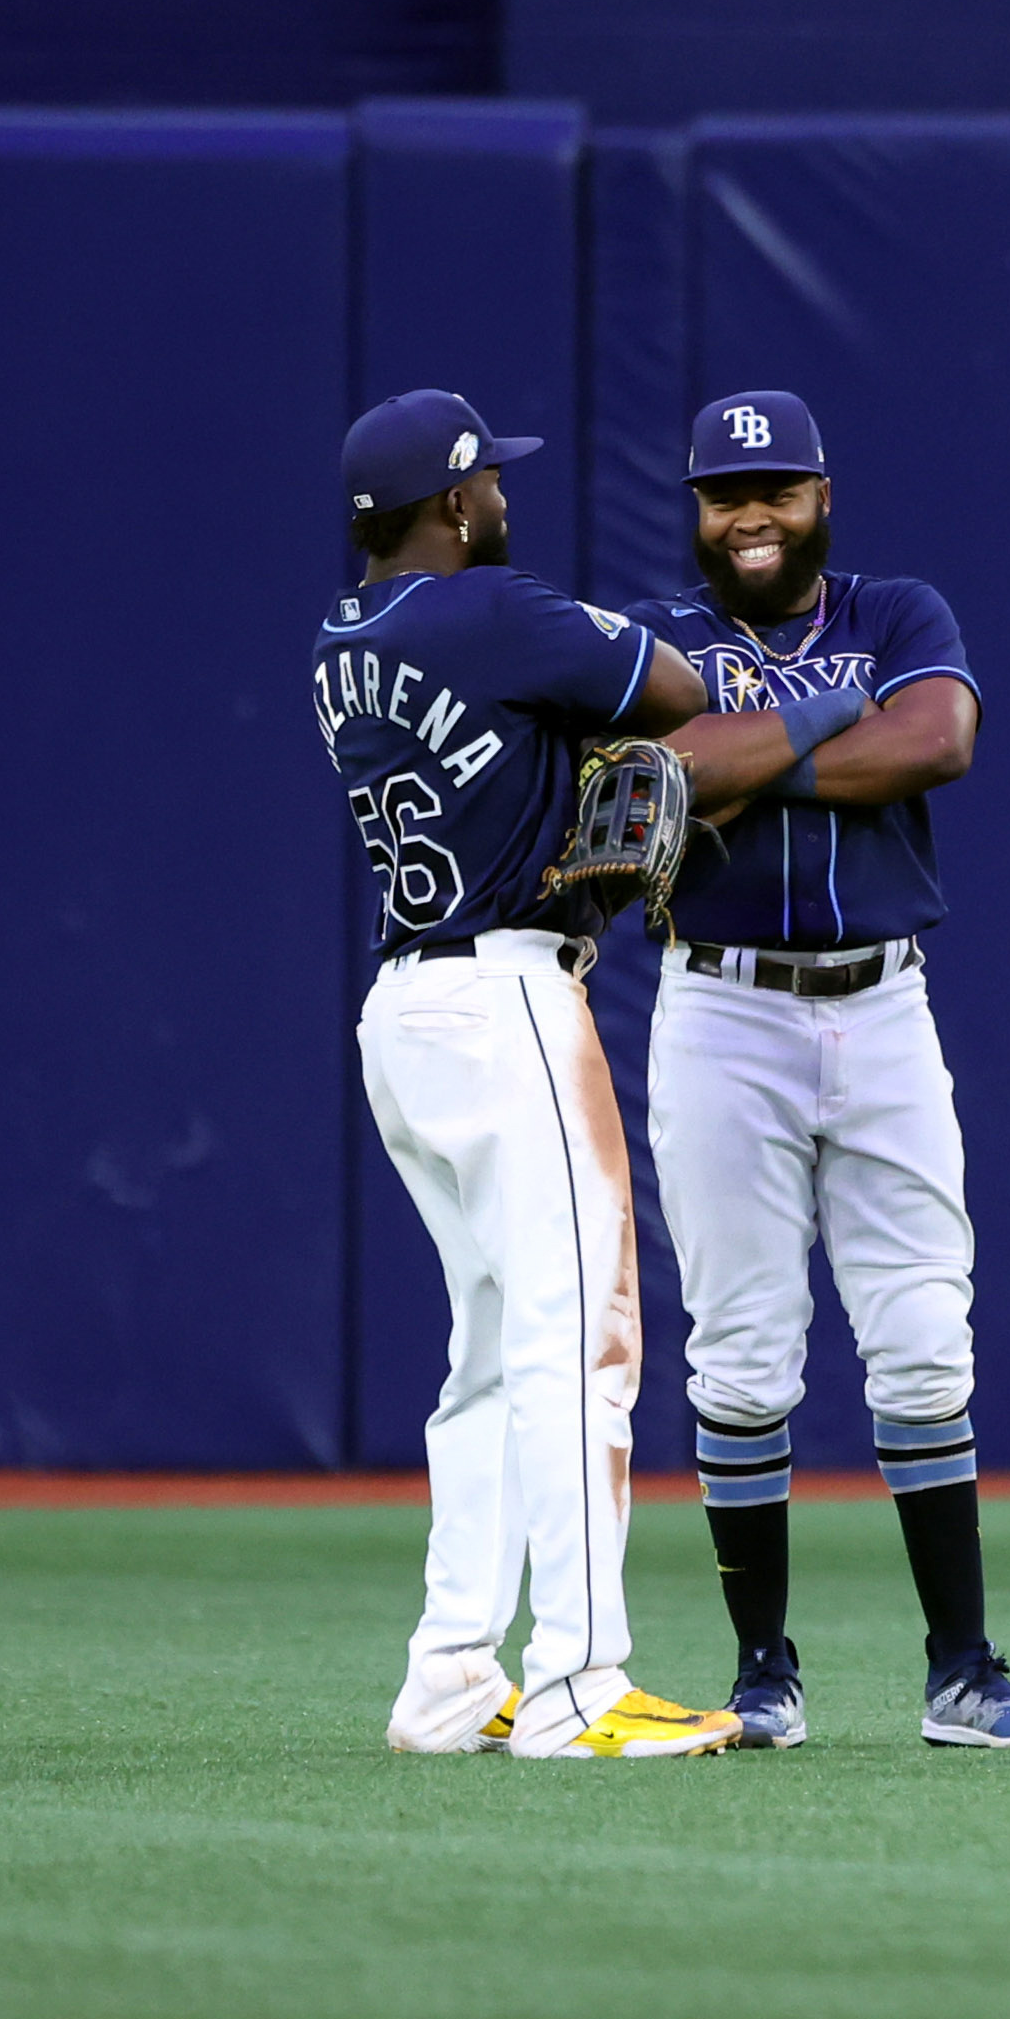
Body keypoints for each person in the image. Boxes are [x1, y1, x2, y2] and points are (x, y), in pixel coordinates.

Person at [620, 390, 1010, 1753]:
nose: (750, 516)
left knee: (925, 1338)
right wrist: (828, 718)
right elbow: (664, 771)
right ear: (696, 510)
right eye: (725, 495)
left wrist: (762, 750)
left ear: (823, 495)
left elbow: (936, 742)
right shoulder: (662, 636)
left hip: (883, 1003)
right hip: (723, 1006)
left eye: (776, 489)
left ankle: (964, 1674)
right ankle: (762, 1673)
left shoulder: (898, 611)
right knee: (742, 1352)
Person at [317, 386, 741, 1759]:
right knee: (581, 1345)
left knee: (493, 1358)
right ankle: (577, 1684)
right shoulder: (492, 609)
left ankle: (452, 1676)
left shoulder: (340, 638)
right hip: (506, 1000)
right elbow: (675, 691)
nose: (504, 496)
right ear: (453, 503)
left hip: (406, 1009)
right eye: (488, 481)